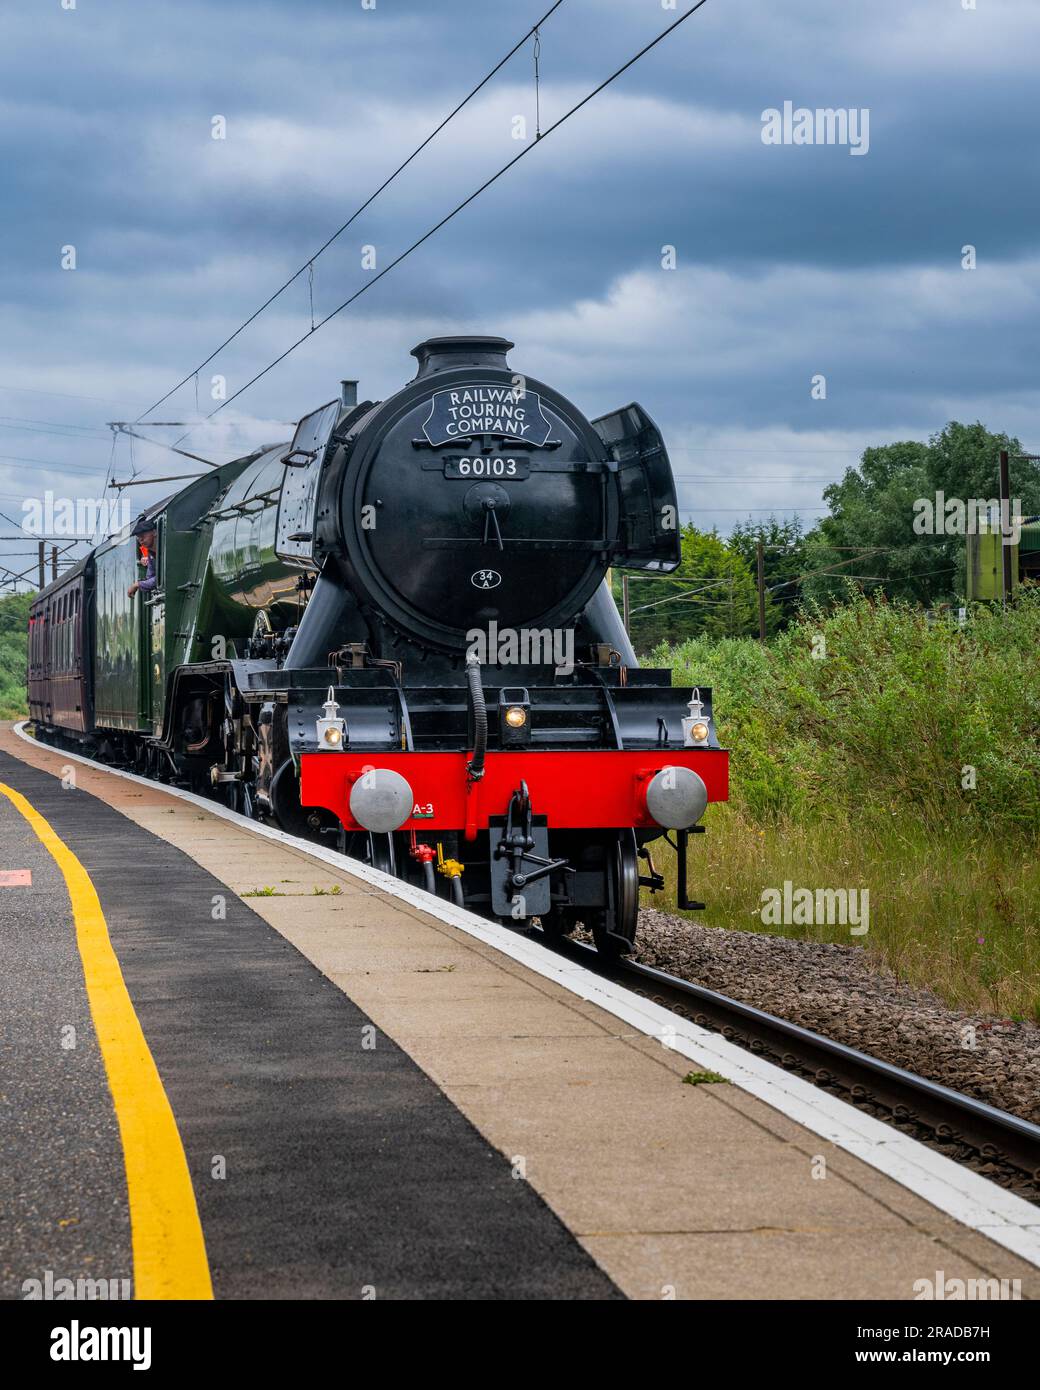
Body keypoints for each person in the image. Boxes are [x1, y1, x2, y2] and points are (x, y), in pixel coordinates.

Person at [127, 517, 158, 598]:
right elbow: (150, 577)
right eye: (138, 537)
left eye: (143, 535)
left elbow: (164, 578)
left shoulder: (166, 549)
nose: (140, 539)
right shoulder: (150, 554)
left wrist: (138, 584)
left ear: (154, 532)